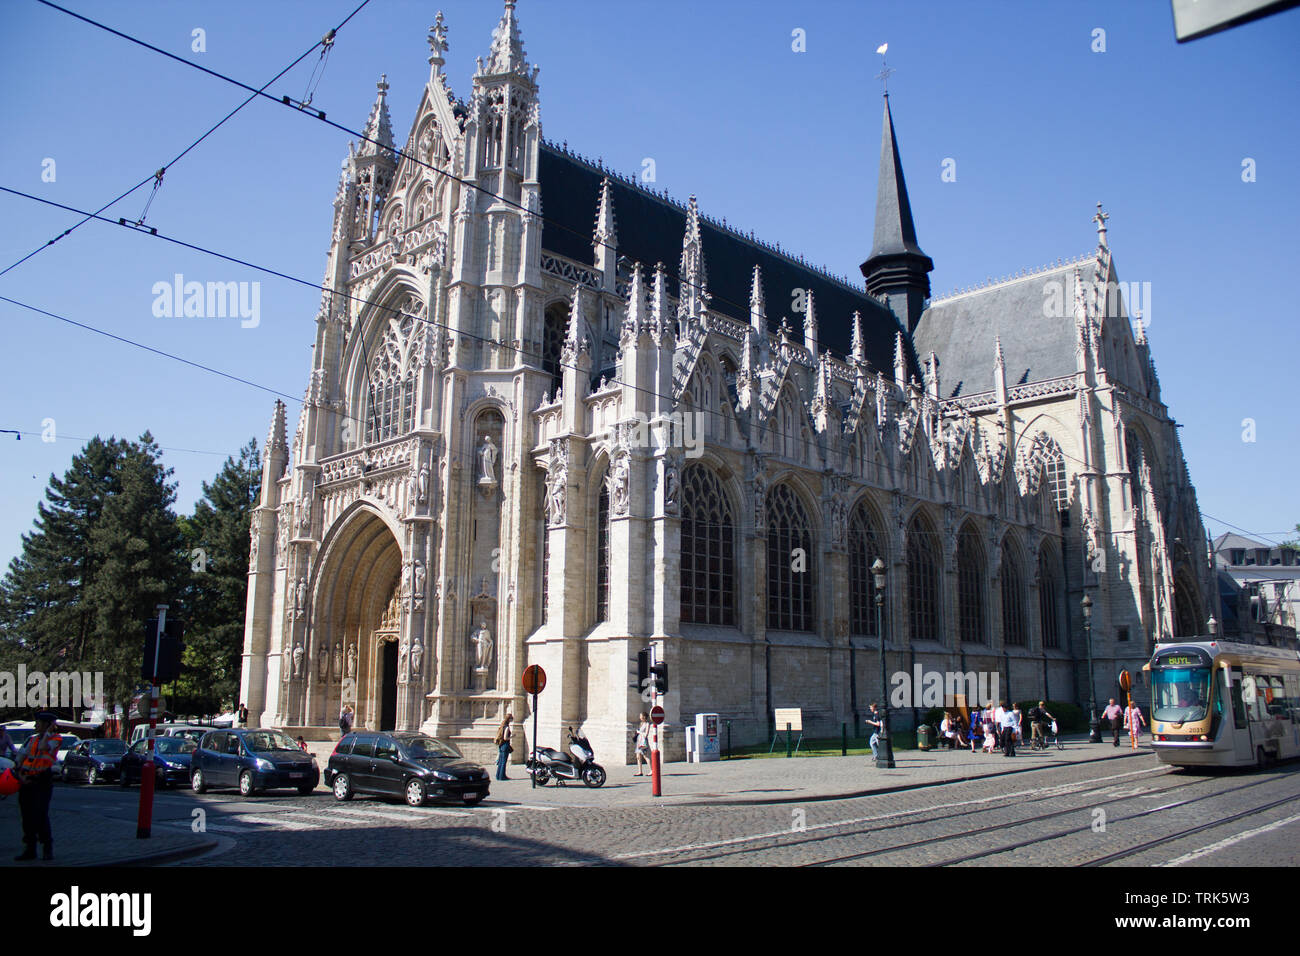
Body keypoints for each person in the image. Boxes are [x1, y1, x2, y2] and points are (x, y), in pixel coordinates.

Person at [14, 711, 61, 861]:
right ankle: (30, 849)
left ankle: (47, 847)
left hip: (42, 781)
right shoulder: (31, 739)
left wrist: (48, 732)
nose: (35, 725)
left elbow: (43, 747)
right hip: (26, 780)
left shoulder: (55, 739)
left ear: (48, 725)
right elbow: (20, 759)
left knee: (40, 815)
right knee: (26, 817)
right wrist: (21, 776)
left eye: (39, 723)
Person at [493, 713, 513, 780]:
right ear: (509, 719)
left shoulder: (502, 726)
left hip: (501, 745)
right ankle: (502, 776)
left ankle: (498, 775)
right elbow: (505, 738)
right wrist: (512, 737)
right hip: (505, 745)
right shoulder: (506, 727)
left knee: (501, 761)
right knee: (503, 762)